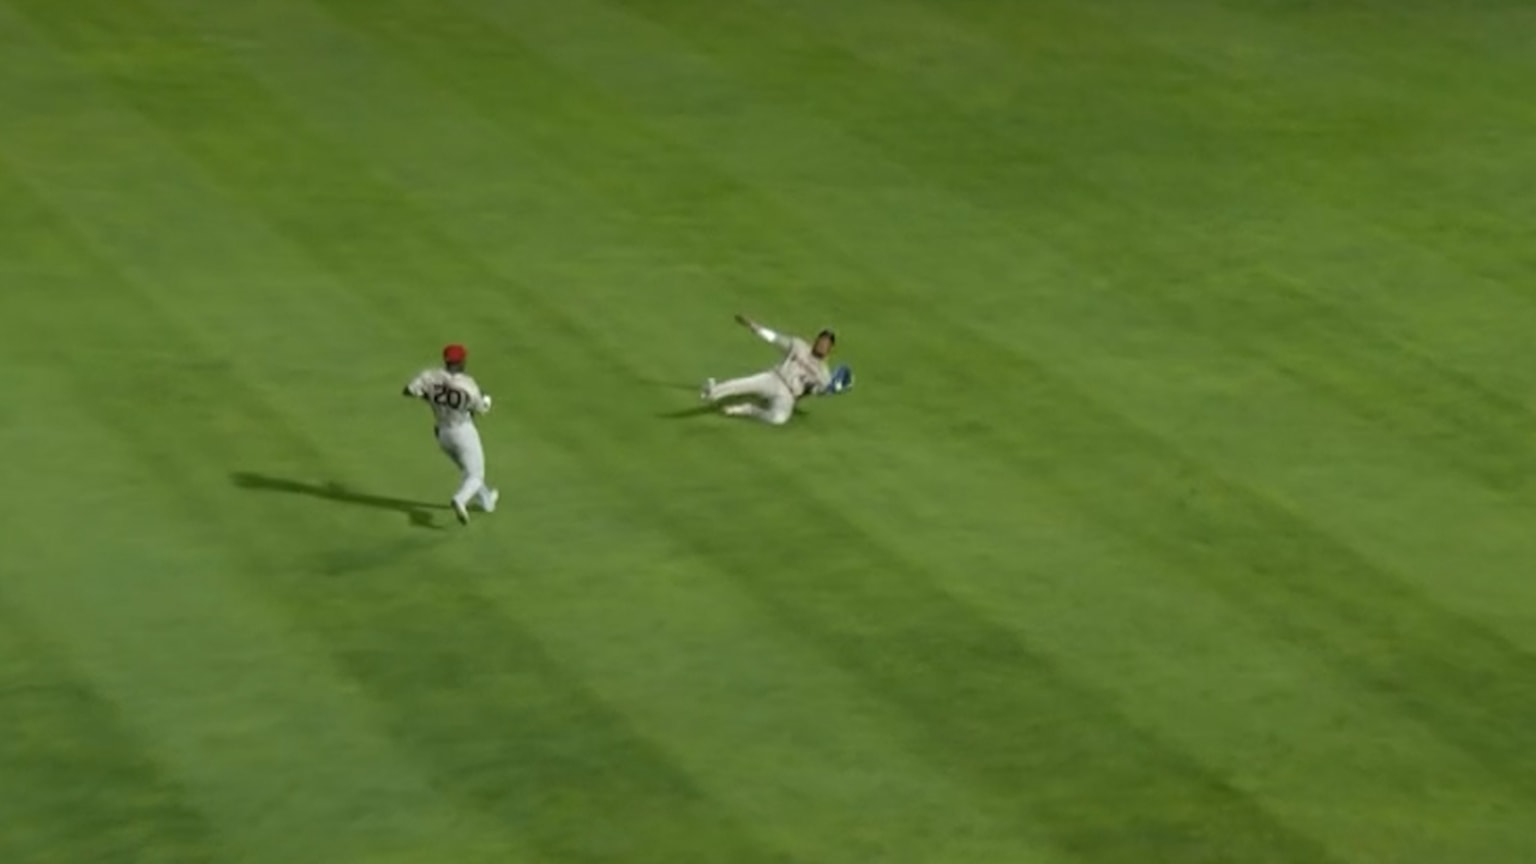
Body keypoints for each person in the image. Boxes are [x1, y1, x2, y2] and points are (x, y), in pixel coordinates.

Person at [403, 344, 498, 524]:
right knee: (476, 475)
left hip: (442, 433)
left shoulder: (430, 377)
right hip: (463, 431)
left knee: (467, 469)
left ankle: (487, 501)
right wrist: (486, 399)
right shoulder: (468, 384)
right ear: (462, 361)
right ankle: (460, 500)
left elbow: (409, 390)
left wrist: (429, 397)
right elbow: (481, 408)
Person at [700, 314, 847, 425]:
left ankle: (749, 409)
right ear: (816, 340)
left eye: (826, 344)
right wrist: (754, 327)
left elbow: (818, 392)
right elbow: (775, 338)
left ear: (830, 349)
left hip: (788, 396)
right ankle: (712, 390)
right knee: (744, 384)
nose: (822, 345)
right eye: (821, 341)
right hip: (774, 378)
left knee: (778, 419)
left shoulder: (825, 374)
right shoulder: (799, 346)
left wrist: (821, 389)